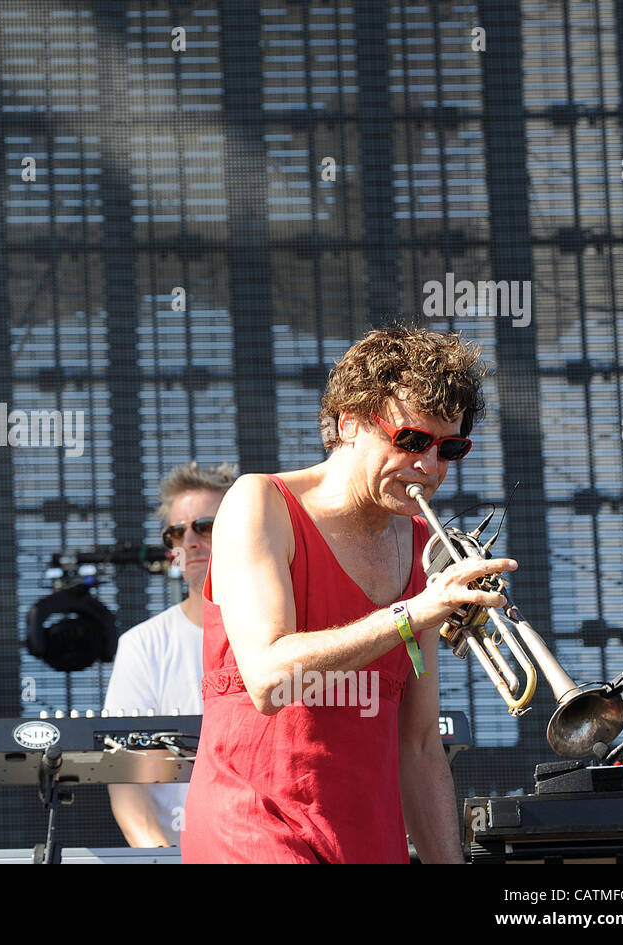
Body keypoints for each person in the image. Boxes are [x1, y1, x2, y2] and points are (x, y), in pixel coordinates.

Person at [182, 326, 513, 863]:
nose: (429, 467)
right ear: (349, 422)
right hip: (254, 826)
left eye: (448, 448)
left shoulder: (426, 548)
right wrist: (412, 613)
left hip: (366, 837)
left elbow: (421, 745)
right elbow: (269, 679)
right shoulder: (259, 502)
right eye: (409, 440)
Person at [104, 461, 236, 847]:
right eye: (176, 533)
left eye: (205, 527)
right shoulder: (142, 645)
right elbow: (123, 773)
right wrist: (157, 857)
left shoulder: (285, 633)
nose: (190, 541)